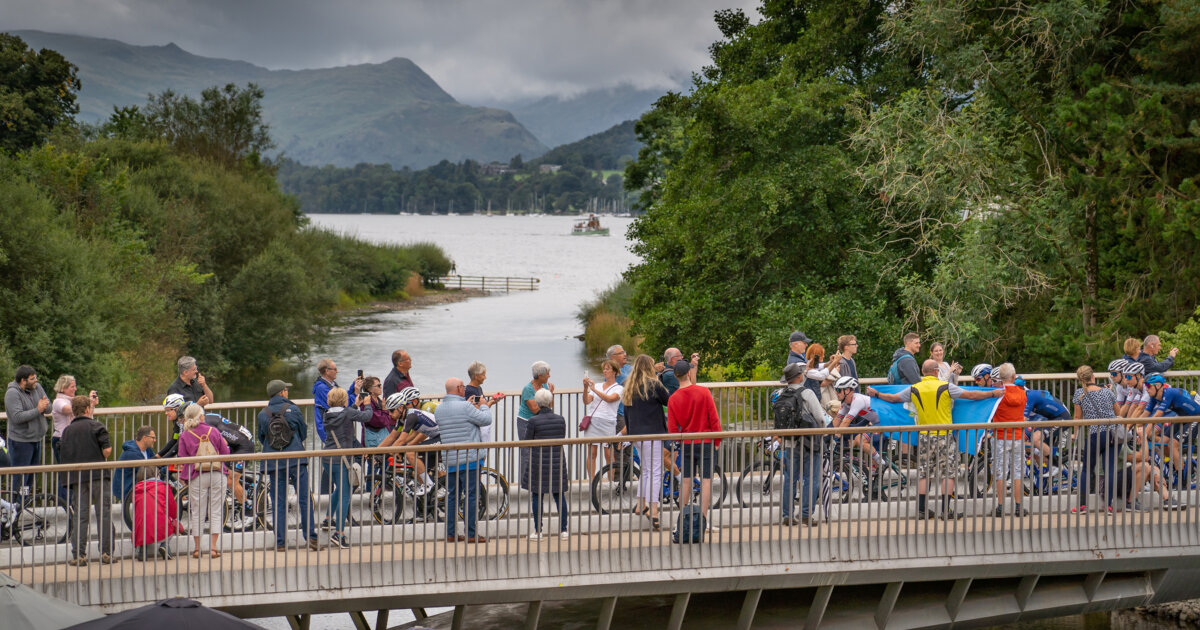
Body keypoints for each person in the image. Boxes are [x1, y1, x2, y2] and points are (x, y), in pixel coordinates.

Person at [870, 359, 1001, 519]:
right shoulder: (945, 387)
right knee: (949, 474)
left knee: (924, 474)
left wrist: (877, 394)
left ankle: (921, 510)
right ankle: (946, 510)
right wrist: (993, 393)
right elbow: (971, 395)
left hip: (924, 436)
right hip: (944, 436)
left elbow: (893, 398)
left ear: (922, 372)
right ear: (936, 371)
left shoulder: (914, 388)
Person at [257, 380, 322, 552]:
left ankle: (280, 542)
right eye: (286, 389)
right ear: (282, 392)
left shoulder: (263, 414)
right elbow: (303, 432)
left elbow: (262, 438)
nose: (287, 392)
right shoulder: (293, 409)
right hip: (296, 459)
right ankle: (311, 538)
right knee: (304, 498)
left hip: (274, 461)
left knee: (278, 502)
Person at [437, 378, 498, 543]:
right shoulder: (465, 407)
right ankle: (471, 533)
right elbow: (485, 420)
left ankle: (451, 533)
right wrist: (484, 405)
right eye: (463, 386)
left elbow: (459, 421)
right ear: (458, 388)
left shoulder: (439, 409)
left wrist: (469, 406)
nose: (464, 389)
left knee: (452, 496)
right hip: (470, 458)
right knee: (471, 495)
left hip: (450, 459)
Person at [60, 394, 116, 565]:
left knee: (80, 515)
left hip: (77, 477)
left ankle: (79, 555)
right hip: (98, 475)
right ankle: (106, 552)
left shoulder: (67, 431)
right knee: (103, 513)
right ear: (87, 409)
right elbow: (107, 451)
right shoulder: (96, 426)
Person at [666, 360, 722, 529]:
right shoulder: (703, 392)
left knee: (685, 481)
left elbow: (672, 429)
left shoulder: (673, 399)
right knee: (706, 481)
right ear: (689, 373)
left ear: (676, 376)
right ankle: (703, 521)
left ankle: (682, 521)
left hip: (687, 443)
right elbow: (714, 419)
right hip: (706, 441)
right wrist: (717, 440)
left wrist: (679, 442)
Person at [623, 354, 672, 531]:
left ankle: (640, 504)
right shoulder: (654, 385)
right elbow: (669, 401)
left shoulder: (629, 386)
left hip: (636, 435)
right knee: (656, 472)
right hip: (653, 434)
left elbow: (626, 414)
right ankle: (654, 510)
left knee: (645, 470)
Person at [321, 387, 371, 549]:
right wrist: (367, 404)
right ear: (344, 400)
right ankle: (339, 534)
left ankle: (328, 519)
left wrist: (355, 405)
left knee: (340, 489)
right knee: (345, 495)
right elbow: (367, 417)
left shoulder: (327, 414)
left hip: (327, 459)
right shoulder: (347, 413)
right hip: (342, 460)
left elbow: (344, 416)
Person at [177, 403, 229, 558]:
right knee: (216, 510)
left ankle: (197, 549)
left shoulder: (184, 435)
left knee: (197, 512)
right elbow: (225, 452)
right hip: (217, 473)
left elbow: (182, 458)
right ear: (201, 416)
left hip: (196, 475)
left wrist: (183, 476)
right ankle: (213, 548)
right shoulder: (214, 431)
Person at [776, 363, 825, 526]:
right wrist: (823, 433)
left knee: (790, 478)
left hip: (790, 442)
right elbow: (820, 418)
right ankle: (805, 514)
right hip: (809, 442)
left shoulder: (782, 393)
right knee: (811, 478)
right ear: (799, 376)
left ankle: (787, 515)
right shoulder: (807, 393)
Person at [1070, 365, 1122, 514]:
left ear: (1081, 379)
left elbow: (1077, 417)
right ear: (1093, 376)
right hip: (1112, 434)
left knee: (1087, 469)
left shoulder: (1080, 393)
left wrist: (1075, 434)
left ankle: (1082, 505)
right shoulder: (1107, 392)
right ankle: (1109, 505)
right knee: (1109, 469)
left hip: (1095, 433)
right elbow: (1118, 412)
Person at [380, 386, 446, 497]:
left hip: (442, 437)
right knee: (417, 470)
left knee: (410, 452)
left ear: (401, 408)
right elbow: (392, 437)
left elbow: (401, 440)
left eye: (391, 410)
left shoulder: (411, 416)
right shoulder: (402, 418)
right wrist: (375, 451)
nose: (390, 414)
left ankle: (428, 484)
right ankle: (433, 494)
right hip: (435, 437)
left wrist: (386, 453)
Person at [523, 388, 570, 540]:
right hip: (557, 461)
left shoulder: (533, 421)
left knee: (537, 495)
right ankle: (564, 530)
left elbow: (527, 441)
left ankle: (538, 531)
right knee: (559, 495)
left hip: (539, 461)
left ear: (537, 403)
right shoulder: (560, 419)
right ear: (551, 402)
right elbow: (561, 437)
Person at [988, 363, 1028, 517]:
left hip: (1000, 436)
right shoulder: (1022, 393)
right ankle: (1018, 506)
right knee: (1017, 472)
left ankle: (1000, 507)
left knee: (1000, 472)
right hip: (1018, 436)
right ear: (1013, 376)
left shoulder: (998, 394)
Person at [1145, 373, 1200, 483]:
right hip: (1182, 417)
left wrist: (1144, 433)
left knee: (1172, 444)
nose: (1146, 389)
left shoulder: (1168, 393)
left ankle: (1182, 480)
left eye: (1148, 385)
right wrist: (1131, 426)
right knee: (1162, 442)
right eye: (1145, 386)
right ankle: (1179, 463)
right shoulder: (1154, 397)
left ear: (1158, 386)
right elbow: (1145, 414)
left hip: (1195, 417)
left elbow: (1158, 414)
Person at [202, 411, 255, 522]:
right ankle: (246, 484)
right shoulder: (202, 419)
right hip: (232, 444)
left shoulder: (206, 424)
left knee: (231, 480)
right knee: (220, 471)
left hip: (243, 445)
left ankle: (249, 510)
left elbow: (222, 443)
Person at [5, 365, 51, 486]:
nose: (36, 380)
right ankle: (17, 498)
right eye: (32, 378)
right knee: (20, 478)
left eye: (35, 377)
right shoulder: (12, 393)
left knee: (31, 476)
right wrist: (38, 409)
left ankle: (25, 497)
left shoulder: (37, 387)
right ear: (23, 380)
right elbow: (17, 417)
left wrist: (45, 406)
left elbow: (49, 408)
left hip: (36, 438)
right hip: (21, 441)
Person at [581, 359, 623, 480]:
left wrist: (594, 390)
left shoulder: (619, 388)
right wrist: (585, 388)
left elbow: (610, 399)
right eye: (604, 369)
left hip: (608, 422)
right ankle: (592, 481)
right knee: (592, 453)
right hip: (593, 421)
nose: (604, 371)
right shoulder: (599, 385)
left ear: (614, 372)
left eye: (607, 369)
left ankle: (610, 482)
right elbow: (586, 401)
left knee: (609, 454)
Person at [312, 358, 361, 443]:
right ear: (327, 371)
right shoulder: (322, 388)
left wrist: (354, 386)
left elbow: (343, 396)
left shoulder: (331, 384)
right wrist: (355, 394)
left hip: (337, 427)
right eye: (335, 369)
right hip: (330, 431)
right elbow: (341, 406)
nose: (337, 371)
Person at [1023, 387, 1072, 467]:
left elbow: (1022, 420)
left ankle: (1055, 466)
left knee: (1035, 439)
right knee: (1034, 445)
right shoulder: (1026, 395)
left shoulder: (1030, 397)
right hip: (1051, 418)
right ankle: (1045, 471)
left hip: (1062, 418)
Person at [112, 425, 157, 504]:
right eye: (153, 438)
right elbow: (148, 470)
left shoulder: (147, 450)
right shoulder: (132, 454)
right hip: (127, 490)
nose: (155, 440)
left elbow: (155, 462)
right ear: (145, 438)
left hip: (138, 486)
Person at [518, 362, 554, 440]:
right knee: (526, 445)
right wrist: (547, 394)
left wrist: (550, 393)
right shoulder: (528, 389)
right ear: (540, 375)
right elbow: (535, 410)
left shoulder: (545, 386)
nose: (549, 376)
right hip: (526, 421)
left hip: (539, 421)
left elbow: (550, 406)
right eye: (547, 374)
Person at [50, 374, 80, 463]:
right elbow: (67, 410)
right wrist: (84, 404)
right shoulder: (58, 401)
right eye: (72, 387)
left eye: (75, 386)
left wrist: (91, 404)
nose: (75, 389)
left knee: (75, 468)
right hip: (61, 438)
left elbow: (85, 416)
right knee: (65, 469)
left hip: (73, 437)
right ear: (63, 388)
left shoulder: (72, 401)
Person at [156, 394, 188, 458]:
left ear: (178, 409)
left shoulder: (187, 421)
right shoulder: (177, 420)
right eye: (165, 410)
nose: (166, 413)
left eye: (168, 410)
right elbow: (174, 439)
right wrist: (158, 455)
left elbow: (180, 444)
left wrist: (164, 460)